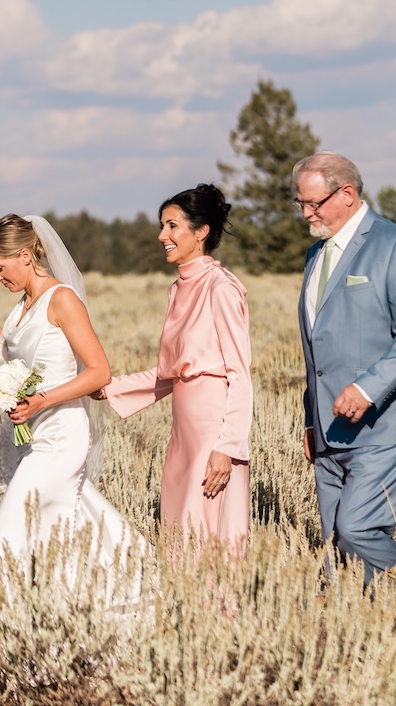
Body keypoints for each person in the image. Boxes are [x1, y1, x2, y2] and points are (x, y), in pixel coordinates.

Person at [0, 213, 142, 593]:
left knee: (4, 538)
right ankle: (83, 611)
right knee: (58, 535)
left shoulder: (62, 299)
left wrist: (41, 400)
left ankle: (15, 632)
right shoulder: (24, 304)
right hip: (35, 438)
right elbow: (35, 355)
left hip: (61, 437)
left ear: (26, 256)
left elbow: (99, 371)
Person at [295, 153, 396, 586]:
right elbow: (318, 346)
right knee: (334, 544)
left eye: (315, 203)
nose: (307, 213)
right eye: (300, 203)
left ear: (347, 194)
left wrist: (366, 390)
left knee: (358, 528)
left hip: (389, 423)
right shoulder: (315, 254)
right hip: (328, 429)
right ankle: (355, 632)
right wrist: (311, 422)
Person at [98, 184, 253, 554]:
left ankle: (221, 609)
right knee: (180, 525)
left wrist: (227, 448)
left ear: (201, 232)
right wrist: (108, 388)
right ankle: (186, 605)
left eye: (172, 226)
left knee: (209, 529)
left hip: (212, 429)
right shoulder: (177, 288)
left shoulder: (221, 287)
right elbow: (173, 372)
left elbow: (239, 373)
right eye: (162, 226)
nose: (161, 235)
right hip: (183, 430)